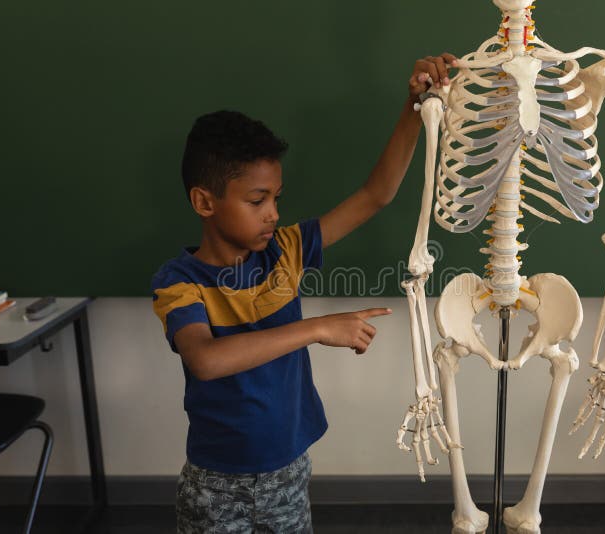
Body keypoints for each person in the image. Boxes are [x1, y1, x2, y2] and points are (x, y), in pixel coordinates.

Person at [151, 53, 457, 533]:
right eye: (257, 201)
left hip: (289, 472)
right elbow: (206, 360)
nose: (272, 213)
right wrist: (317, 328)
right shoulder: (179, 280)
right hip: (215, 486)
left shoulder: (286, 250)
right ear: (204, 202)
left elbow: (376, 194)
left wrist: (413, 106)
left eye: (276, 198)